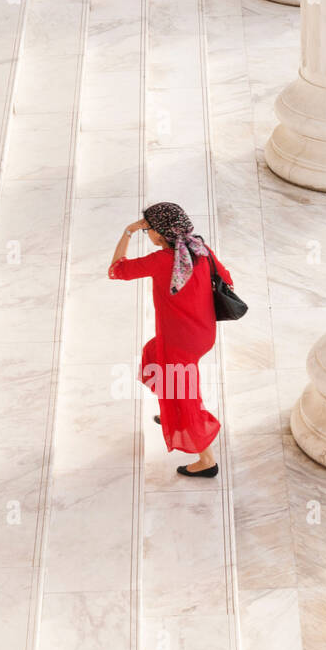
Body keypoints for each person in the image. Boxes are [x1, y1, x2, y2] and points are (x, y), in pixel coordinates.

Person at [108, 201, 232, 477]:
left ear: (160, 234)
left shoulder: (163, 260)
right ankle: (170, 412)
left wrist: (128, 232)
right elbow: (227, 278)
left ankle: (206, 461)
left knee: (183, 397)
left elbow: (117, 269)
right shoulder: (199, 248)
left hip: (179, 342)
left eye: (147, 230)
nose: (146, 234)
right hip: (201, 333)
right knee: (152, 354)